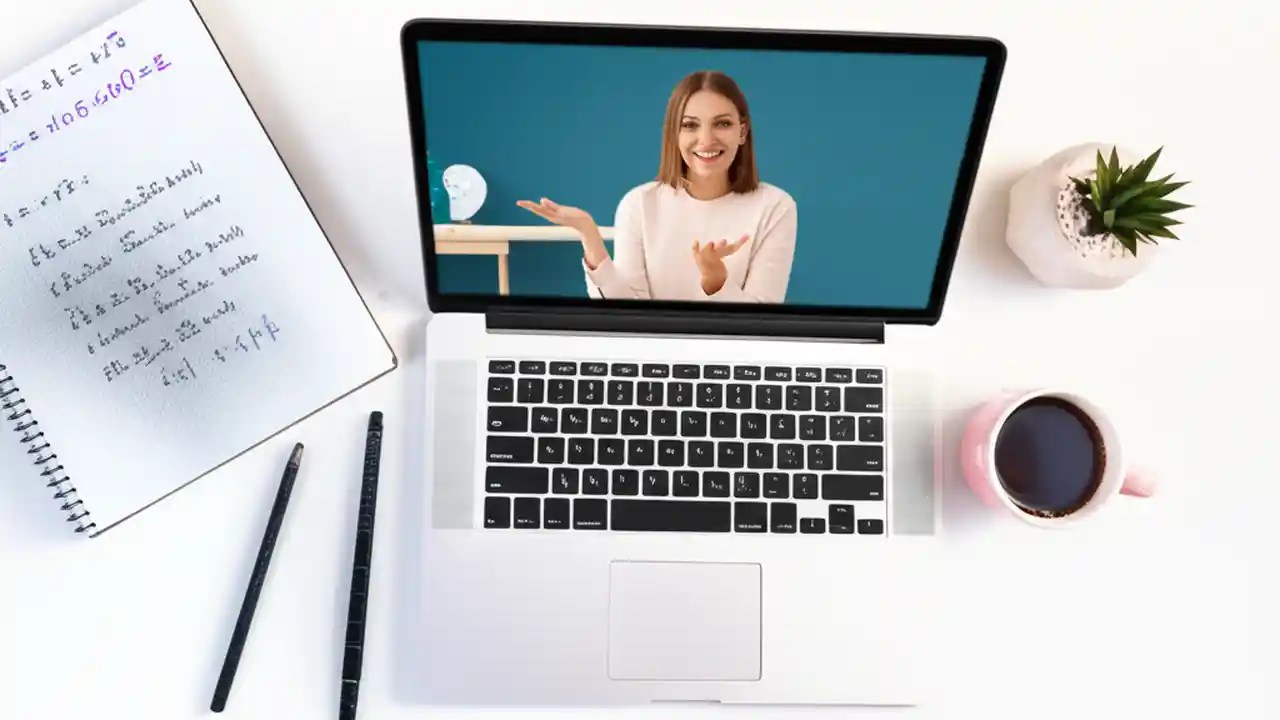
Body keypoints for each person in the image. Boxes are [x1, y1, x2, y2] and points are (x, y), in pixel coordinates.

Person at [517, 70, 798, 302]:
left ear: (742, 132)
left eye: (722, 124)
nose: (706, 139)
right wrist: (589, 235)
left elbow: (761, 322)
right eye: (690, 126)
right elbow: (625, 312)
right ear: (674, 134)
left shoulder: (775, 207)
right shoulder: (639, 203)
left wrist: (716, 282)